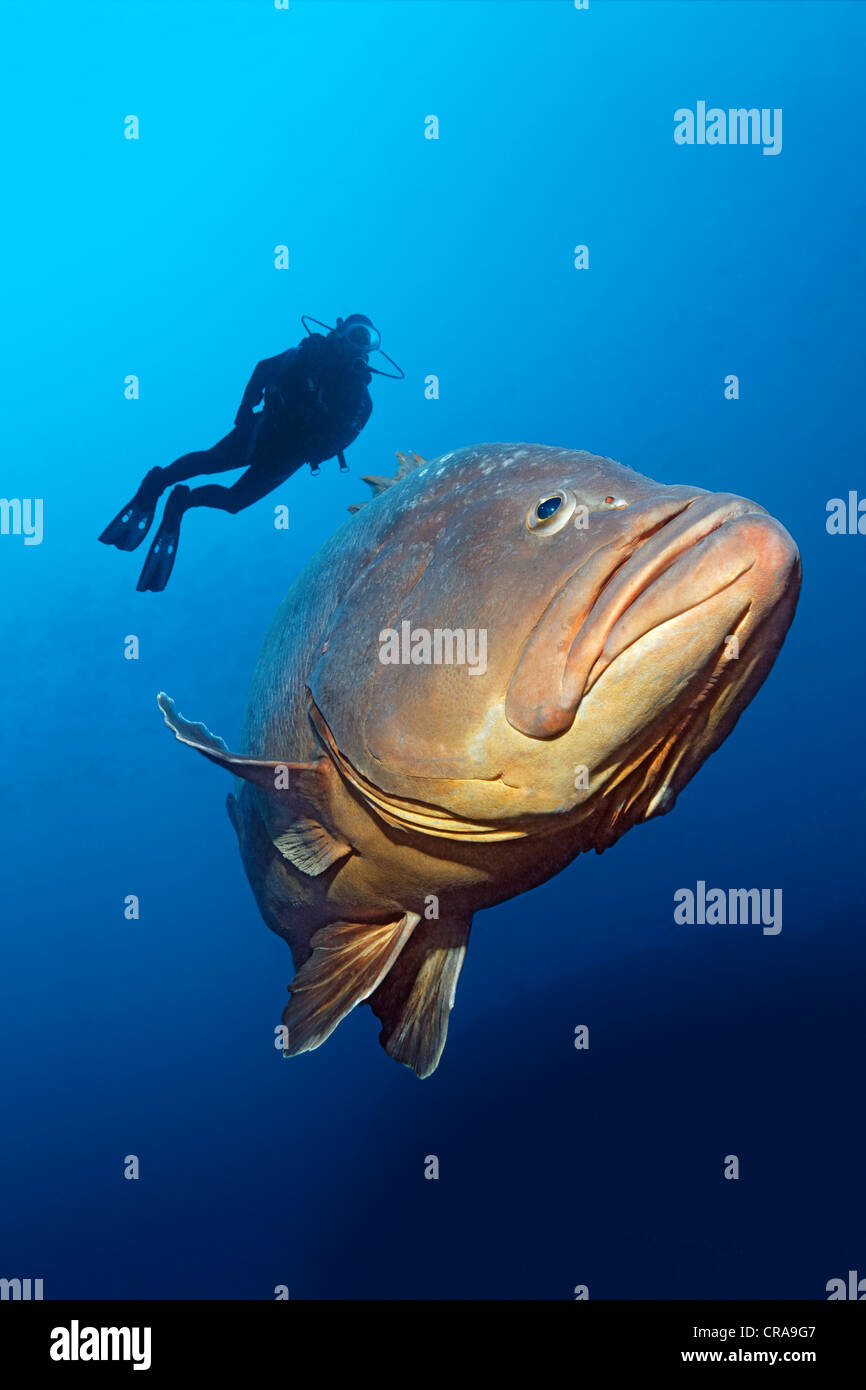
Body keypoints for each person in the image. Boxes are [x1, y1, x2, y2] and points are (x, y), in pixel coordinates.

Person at [99, 313, 400, 591]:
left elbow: (345, 437)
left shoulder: (361, 399)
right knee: (208, 461)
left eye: (368, 340)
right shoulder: (309, 355)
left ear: (372, 350)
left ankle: (182, 503)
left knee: (234, 502)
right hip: (264, 429)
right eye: (355, 335)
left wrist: (315, 451)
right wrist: (244, 411)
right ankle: (155, 484)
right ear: (340, 331)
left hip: (289, 457)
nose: (359, 345)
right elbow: (264, 368)